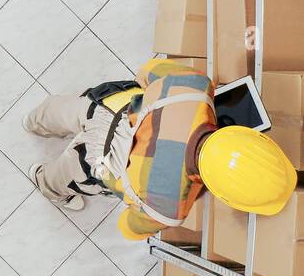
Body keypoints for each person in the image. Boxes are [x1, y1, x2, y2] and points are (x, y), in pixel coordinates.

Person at [23, 57, 297, 240]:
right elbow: (127, 228)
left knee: (68, 109)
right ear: (222, 194)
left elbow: (148, 71)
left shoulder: (197, 87)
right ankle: (45, 182)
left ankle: (35, 120)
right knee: (65, 174)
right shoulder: (169, 208)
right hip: (98, 159)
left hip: (109, 104)